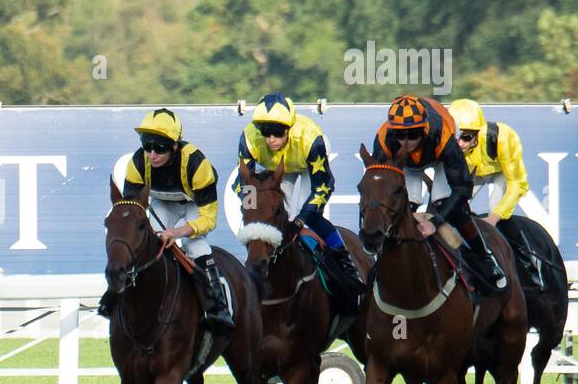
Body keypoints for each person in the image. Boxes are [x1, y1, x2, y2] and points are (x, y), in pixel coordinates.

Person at [99, 107, 233, 332]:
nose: (152, 154)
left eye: (159, 148)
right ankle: (116, 290)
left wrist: (177, 233)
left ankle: (216, 306)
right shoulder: (138, 162)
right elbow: (132, 209)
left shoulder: (198, 166)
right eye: (147, 146)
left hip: (193, 204)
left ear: (174, 145)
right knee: (141, 240)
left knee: (196, 247)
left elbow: (209, 220)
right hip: (161, 203)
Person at [370, 95, 507, 293]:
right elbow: (379, 189)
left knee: (444, 202)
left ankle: (484, 257)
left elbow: (462, 188)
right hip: (406, 165)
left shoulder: (441, 134)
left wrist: (435, 223)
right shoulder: (384, 139)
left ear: (424, 128)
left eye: (413, 134)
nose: (407, 143)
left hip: (438, 157)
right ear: (392, 132)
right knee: (401, 207)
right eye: (401, 135)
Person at [234, 92, 364, 294]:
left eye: (278, 132)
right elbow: (244, 184)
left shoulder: (311, 139)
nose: (271, 139)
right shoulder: (249, 138)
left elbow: (323, 187)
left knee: (304, 215)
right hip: (277, 167)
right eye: (265, 132)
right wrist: (254, 212)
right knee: (266, 212)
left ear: (289, 127)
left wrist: (302, 219)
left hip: (305, 164)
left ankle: (345, 261)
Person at [448, 98, 530, 227]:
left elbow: (516, 183)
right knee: (453, 206)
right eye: (456, 137)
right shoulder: (451, 144)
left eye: (466, 137)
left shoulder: (501, 138)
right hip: (475, 171)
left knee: (495, 208)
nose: (460, 143)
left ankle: (520, 246)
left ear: (478, 132)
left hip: (501, 172)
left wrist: (495, 217)